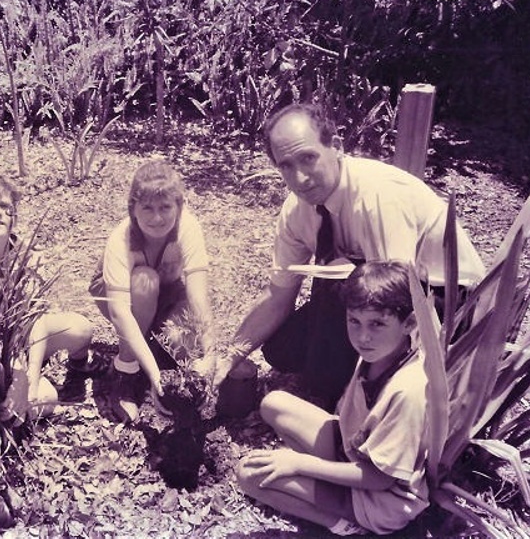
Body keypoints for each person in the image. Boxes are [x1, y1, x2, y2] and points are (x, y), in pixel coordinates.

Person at [215, 103, 485, 411]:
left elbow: (396, 302)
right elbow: (278, 297)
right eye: (286, 165)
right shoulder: (296, 210)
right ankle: (336, 376)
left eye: (308, 158)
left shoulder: (379, 196)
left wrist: (364, 401)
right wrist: (226, 358)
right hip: (378, 292)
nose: (300, 178)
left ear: (337, 147)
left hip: (445, 303)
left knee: (339, 291)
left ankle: (359, 396)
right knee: (281, 350)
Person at [236, 261, 431, 536]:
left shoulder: (407, 390)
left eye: (377, 323)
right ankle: (326, 482)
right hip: (354, 451)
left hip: (380, 499)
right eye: (354, 321)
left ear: (409, 322)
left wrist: (301, 463)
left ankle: (345, 527)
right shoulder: (377, 354)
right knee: (274, 404)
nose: (363, 336)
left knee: (250, 475)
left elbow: (381, 479)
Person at [0, 174, 96, 420]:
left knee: (81, 328)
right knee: (47, 399)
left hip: (27, 338)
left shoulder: (28, 257)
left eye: (5, 207)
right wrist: (17, 376)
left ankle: (77, 368)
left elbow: (36, 320)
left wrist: (30, 379)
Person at [89, 159, 216, 423]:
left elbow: (198, 295)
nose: (157, 218)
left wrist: (209, 354)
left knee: (183, 344)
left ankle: (151, 345)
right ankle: (126, 371)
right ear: (132, 209)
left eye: (165, 207)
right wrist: (155, 375)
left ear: (179, 207)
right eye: (147, 207)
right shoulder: (121, 238)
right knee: (145, 281)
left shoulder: (188, 227)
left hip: (168, 291)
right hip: (118, 293)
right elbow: (121, 312)